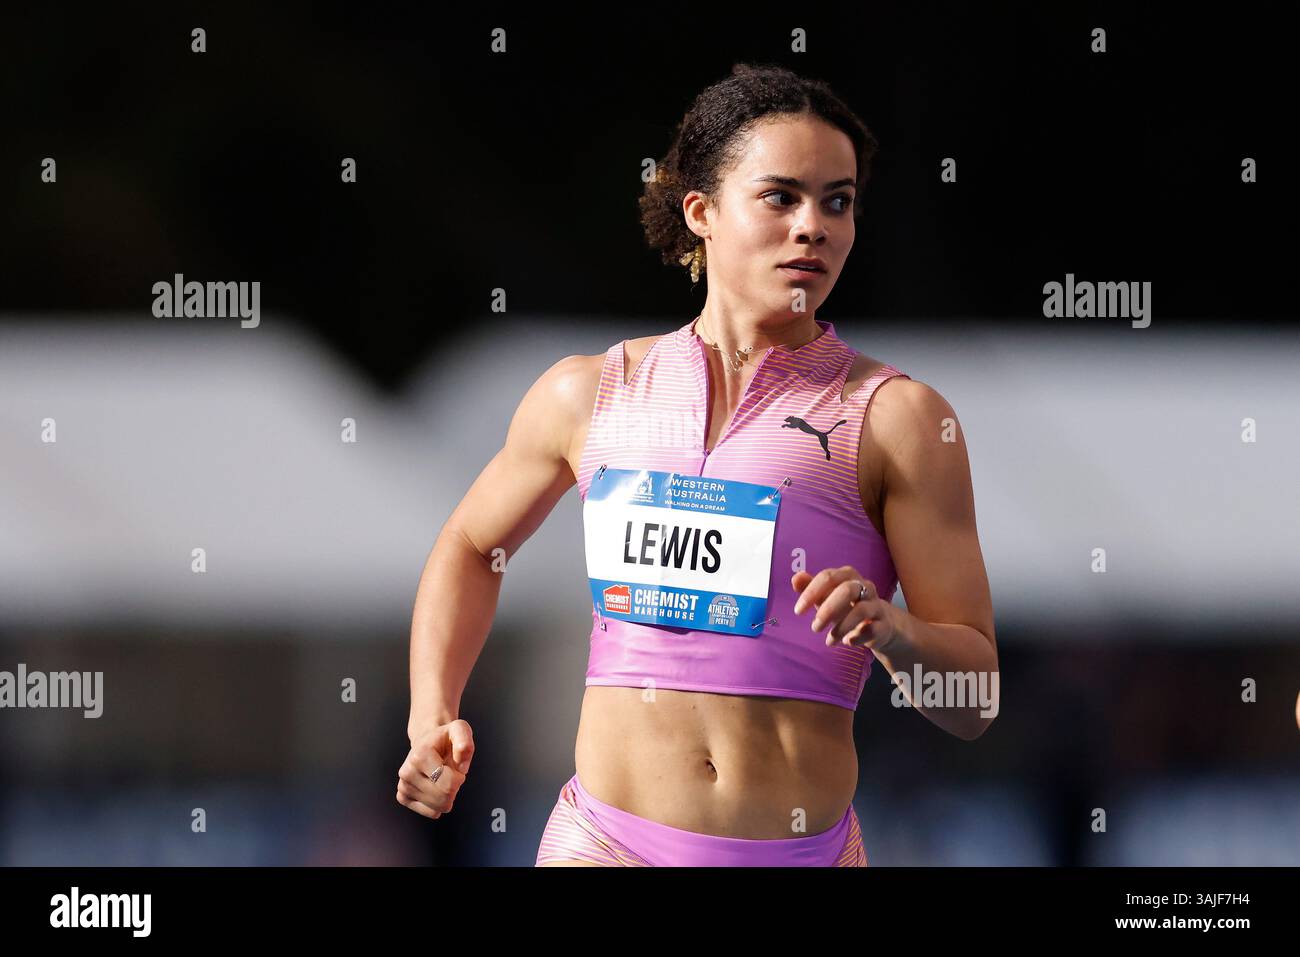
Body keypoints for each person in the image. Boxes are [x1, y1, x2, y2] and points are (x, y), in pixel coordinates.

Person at [396, 63, 998, 866]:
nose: (813, 225)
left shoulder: (899, 419)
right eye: (781, 196)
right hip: (603, 843)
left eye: (838, 200)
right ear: (702, 211)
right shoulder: (589, 394)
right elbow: (472, 546)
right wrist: (432, 709)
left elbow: (977, 700)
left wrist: (896, 632)